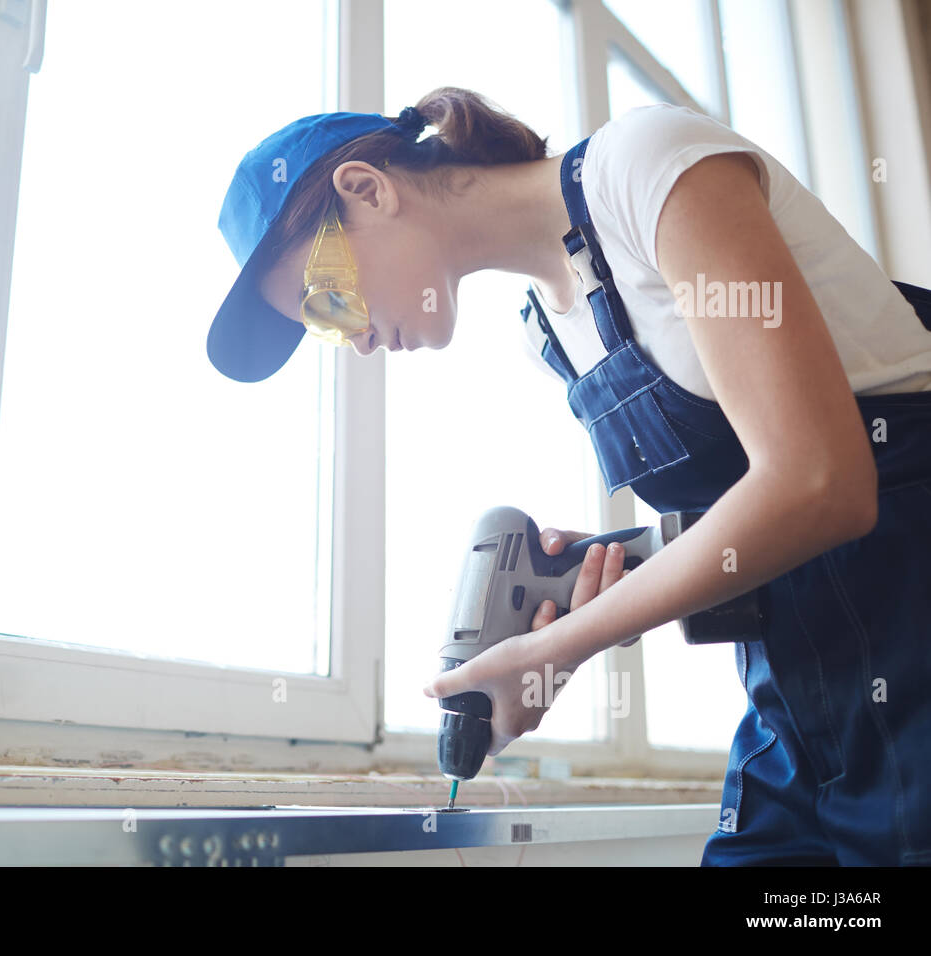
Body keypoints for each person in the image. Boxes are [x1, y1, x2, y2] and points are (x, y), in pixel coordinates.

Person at [205, 86, 931, 866]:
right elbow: (754, 512)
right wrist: (637, 558)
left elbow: (822, 482)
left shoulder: (647, 168)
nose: (350, 340)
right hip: (798, 693)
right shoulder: (548, 329)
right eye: (323, 327)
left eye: (328, 299)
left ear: (366, 189)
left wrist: (563, 648)